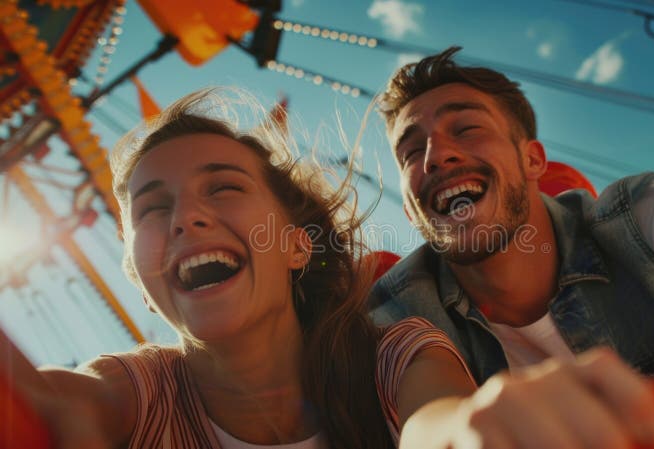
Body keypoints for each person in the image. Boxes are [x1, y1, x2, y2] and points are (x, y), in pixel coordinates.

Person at [1, 87, 491, 449]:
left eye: (224, 188)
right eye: (152, 209)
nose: (184, 218)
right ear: (143, 285)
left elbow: (442, 422)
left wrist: (471, 431)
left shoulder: (390, 357)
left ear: (297, 247)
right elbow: (58, 401)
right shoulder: (139, 397)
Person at [369, 47, 654, 447]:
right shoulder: (399, 310)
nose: (435, 156)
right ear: (411, 210)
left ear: (533, 161)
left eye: (466, 128)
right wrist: (466, 427)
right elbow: (427, 421)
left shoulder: (641, 222)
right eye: (411, 151)